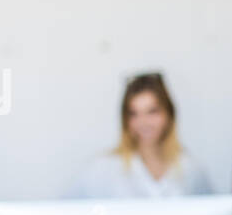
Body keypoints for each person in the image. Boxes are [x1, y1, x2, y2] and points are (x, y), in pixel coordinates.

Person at [69, 72, 211, 198]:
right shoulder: (103, 168)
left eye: (152, 111)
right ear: (125, 120)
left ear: (169, 115)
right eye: (134, 114)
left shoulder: (190, 169)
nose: (143, 122)